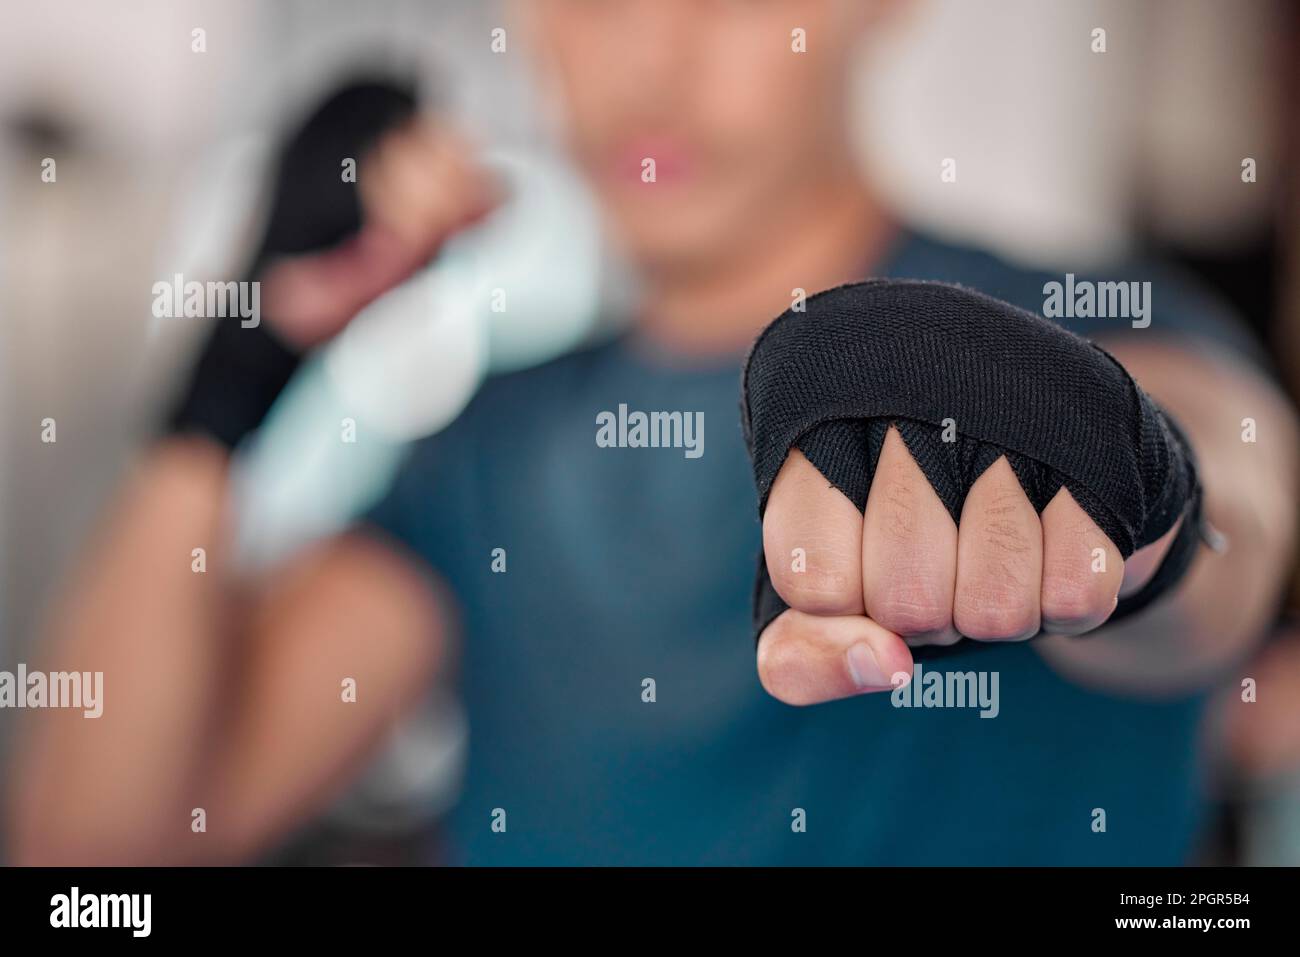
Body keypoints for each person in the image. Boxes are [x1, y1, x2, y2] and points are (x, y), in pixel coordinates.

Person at [7, 0, 1297, 865]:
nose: (651, 60)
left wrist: (1125, 504)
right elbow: (100, 855)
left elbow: (1221, 506)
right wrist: (228, 386)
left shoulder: (1081, 328)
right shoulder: (493, 445)